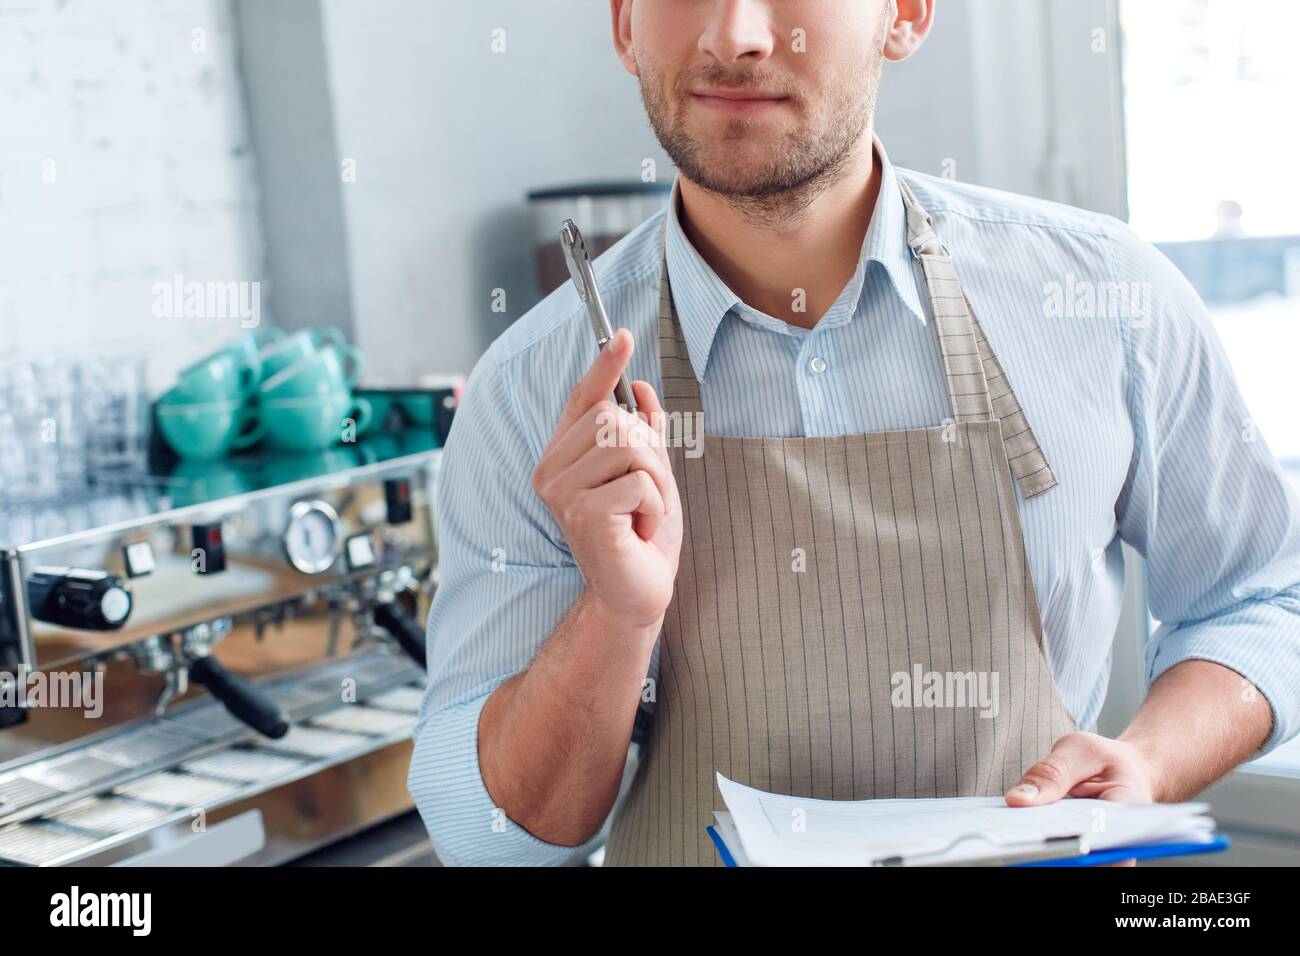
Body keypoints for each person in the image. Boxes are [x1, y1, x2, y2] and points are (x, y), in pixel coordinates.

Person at [408, 0, 1300, 866]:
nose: (736, 35)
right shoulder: (530, 389)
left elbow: (1264, 602)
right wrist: (615, 613)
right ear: (623, 22)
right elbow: (491, 844)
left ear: (905, 13)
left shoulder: (1104, 298)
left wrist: (1148, 760)